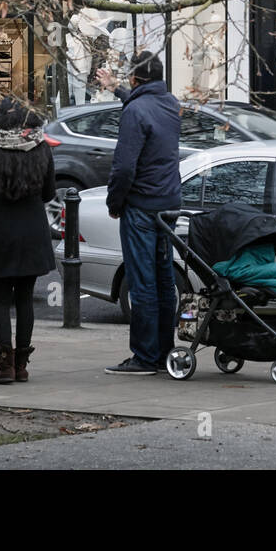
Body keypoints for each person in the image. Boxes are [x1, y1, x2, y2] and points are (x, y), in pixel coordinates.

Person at [0, 98, 57, 384]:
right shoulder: (40, 148)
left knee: (1, 299)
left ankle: (4, 366)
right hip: (33, 230)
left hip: (3, 231)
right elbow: (49, 193)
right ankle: (22, 365)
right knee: (26, 298)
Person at [104, 51, 181, 376]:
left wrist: (114, 202)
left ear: (136, 79)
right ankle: (164, 350)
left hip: (142, 206)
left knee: (142, 281)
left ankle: (145, 356)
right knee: (164, 279)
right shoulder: (170, 104)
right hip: (168, 203)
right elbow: (142, 104)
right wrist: (117, 89)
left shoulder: (135, 111)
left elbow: (124, 168)